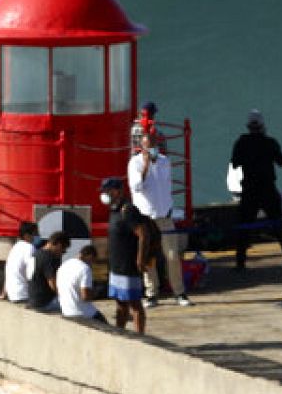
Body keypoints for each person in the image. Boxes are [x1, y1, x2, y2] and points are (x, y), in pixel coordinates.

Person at [128, 128, 191, 307]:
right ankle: (151, 293)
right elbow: (137, 186)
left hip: (165, 216)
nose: (152, 149)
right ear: (142, 147)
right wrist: (147, 165)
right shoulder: (135, 163)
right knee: (149, 258)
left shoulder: (165, 161)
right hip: (146, 218)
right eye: (148, 146)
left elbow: (165, 187)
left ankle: (179, 292)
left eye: (154, 145)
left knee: (172, 255)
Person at [230, 110, 282, 269]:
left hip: (249, 189)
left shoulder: (241, 142)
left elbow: (234, 164)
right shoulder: (270, 142)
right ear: (262, 126)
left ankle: (240, 262)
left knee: (244, 226)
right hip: (267, 188)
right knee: (278, 224)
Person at [104, 179, 153, 333]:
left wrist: (140, 260)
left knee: (134, 304)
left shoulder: (128, 210)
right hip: (116, 267)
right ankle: (120, 333)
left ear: (117, 191)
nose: (104, 194)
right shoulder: (114, 210)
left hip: (128, 266)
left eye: (108, 190)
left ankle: (140, 337)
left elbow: (143, 234)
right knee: (120, 304)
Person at [58, 243, 105, 321]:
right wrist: (96, 293)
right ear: (90, 256)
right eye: (93, 261)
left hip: (66, 310)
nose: (92, 264)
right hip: (81, 313)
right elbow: (85, 296)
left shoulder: (65, 264)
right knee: (105, 324)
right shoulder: (85, 269)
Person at [26, 231, 70, 313]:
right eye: (63, 251)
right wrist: (64, 296)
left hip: (33, 300)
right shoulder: (48, 257)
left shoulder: (37, 253)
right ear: (59, 245)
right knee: (75, 306)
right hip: (45, 303)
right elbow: (52, 283)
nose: (62, 254)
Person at [4, 221, 40, 303]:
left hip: (12, 293)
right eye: (36, 234)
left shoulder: (16, 247)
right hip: (23, 294)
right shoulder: (29, 248)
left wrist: (4, 292)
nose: (38, 236)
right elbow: (31, 273)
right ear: (27, 235)